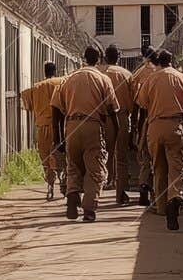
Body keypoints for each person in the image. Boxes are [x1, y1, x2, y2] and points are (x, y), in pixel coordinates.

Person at [49, 47, 119, 222]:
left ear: (83, 58)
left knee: (73, 165)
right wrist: (114, 135)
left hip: (72, 126)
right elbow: (112, 110)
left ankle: (73, 193)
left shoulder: (67, 79)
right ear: (99, 60)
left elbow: (55, 110)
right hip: (93, 125)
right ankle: (89, 209)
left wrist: (58, 139)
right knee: (94, 169)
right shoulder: (103, 79)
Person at [135, 49, 183, 230]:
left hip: (155, 126)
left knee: (159, 167)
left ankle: (161, 206)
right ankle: (174, 197)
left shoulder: (150, 79)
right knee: (176, 167)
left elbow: (142, 104)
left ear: (158, 62)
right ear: (172, 61)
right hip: (175, 125)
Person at [19, 62, 65, 200]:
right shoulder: (61, 83)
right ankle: (63, 178)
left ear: (45, 72)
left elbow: (25, 101)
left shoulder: (37, 87)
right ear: (55, 71)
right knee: (62, 155)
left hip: (43, 127)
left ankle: (50, 185)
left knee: (46, 157)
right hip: (61, 127)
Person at [100, 45, 137, 207]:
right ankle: (120, 191)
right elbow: (134, 100)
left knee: (104, 152)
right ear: (119, 57)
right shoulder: (126, 74)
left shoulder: (99, 74)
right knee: (121, 156)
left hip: (102, 118)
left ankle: (105, 182)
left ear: (105, 57)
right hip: (121, 116)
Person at [128, 44, 158, 205]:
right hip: (164, 118)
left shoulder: (141, 73)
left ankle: (144, 187)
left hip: (147, 119)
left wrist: (135, 127)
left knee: (146, 158)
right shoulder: (165, 73)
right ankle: (159, 194)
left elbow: (137, 102)